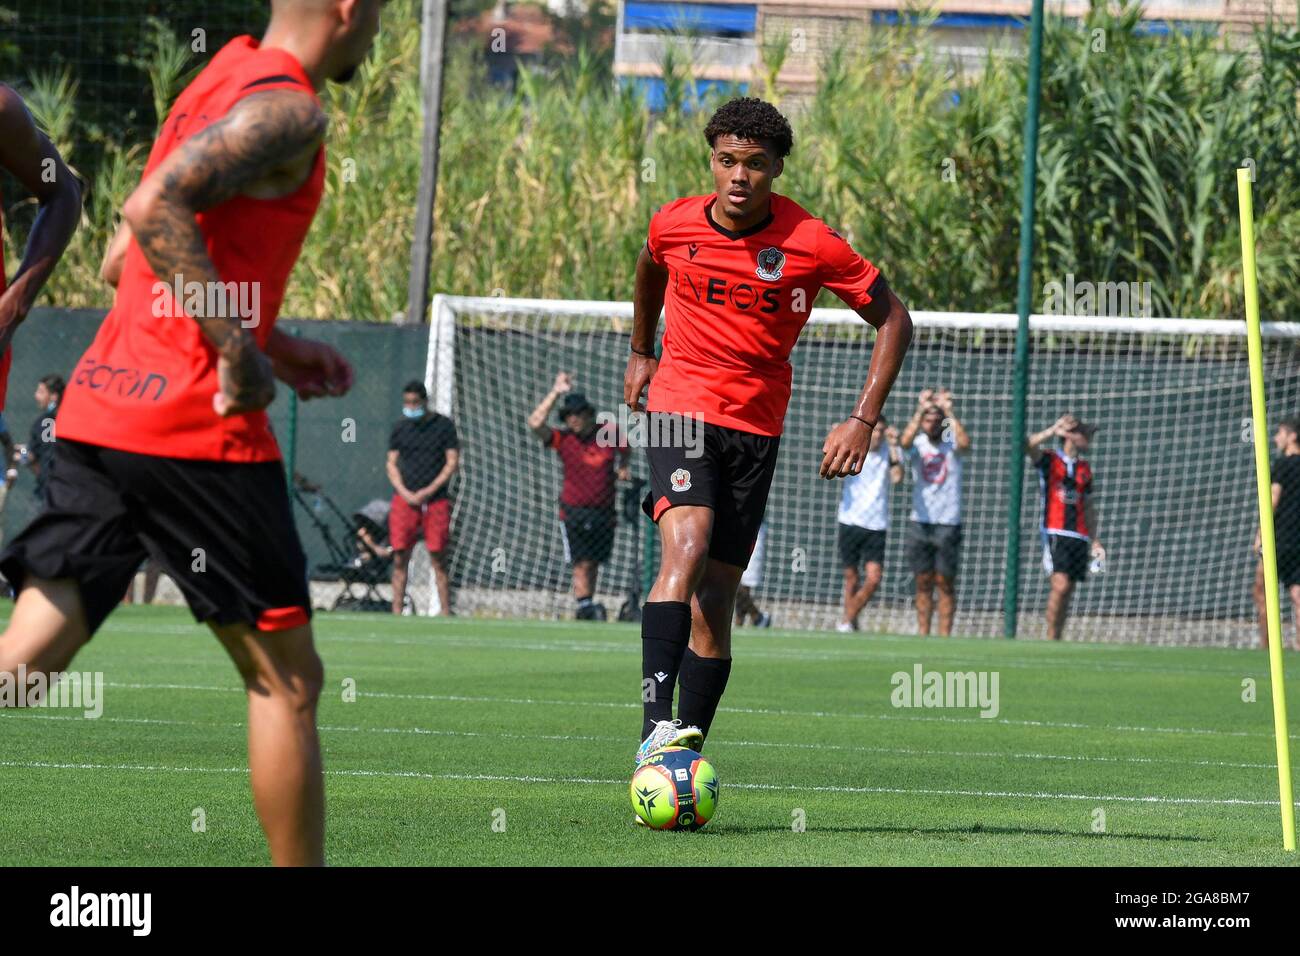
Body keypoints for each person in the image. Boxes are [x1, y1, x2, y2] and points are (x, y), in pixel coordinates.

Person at [0, 0, 383, 866]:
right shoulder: (292, 107)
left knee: (25, 657)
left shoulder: (210, 81)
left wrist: (273, 342)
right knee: (286, 681)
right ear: (351, 9)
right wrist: (239, 352)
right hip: (193, 426)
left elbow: (119, 260)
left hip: (100, 408)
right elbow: (151, 209)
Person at [625, 96, 912, 765]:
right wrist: (643, 350)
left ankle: (684, 756)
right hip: (682, 409)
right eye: (727, 160)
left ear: (777, 168)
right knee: (687, 549)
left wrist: (863, 417)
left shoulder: (811, 243)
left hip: (756, 428)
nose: (739, 176)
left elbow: (894, 320)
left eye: (755, 164)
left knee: (717, 598)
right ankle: (651, 728)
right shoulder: (674, 223)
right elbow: (649, 267)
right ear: (712, 159)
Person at [528, 371, 630, 620]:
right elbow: (535, 423)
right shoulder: (563, 439)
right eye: (569, 415)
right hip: (574, 509)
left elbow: (626, 449)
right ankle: (584, 604)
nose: (573, 419)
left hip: (604, 510)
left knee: (593, 561)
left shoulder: (608, 433)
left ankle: (587, 603)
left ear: (588, 415)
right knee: (581, 561)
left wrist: (623, 467)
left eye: (578, 414)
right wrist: (555, 392)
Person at [1026, 413, 1104, 641]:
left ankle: (1057, 638)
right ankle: (1050, 637)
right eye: (1085, 433)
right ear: (1070, 436)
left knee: (1068, 590)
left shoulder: (1084, 469)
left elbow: (1088, 506)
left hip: (1079, 534)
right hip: (1055, 531)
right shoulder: (1050, 460)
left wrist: (1095, 539)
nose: (1089, 438)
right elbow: (1027, 446)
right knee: (1059, 586)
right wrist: (1053, 430)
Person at [900, 388, 970, 636]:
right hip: (921, 521)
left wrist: (948, 410)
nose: (931, 425)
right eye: (927, 421)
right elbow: (904, 442)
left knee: (945, 582)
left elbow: (966, 443)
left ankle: (944, 635)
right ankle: (923, 633)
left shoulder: (952, 446)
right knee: (922, 581)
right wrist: (921, 409)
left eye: (935, 420)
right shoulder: (918, 444)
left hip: (948, 522)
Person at [386, 380, 459, 616]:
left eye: (415, 402)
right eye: (406, 402)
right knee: (400, 556)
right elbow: (391, 463)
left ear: (425, 402)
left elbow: (451, 462)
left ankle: (446, 611)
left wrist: (429, 490)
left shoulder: (444, 426)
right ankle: (396, 611)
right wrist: (405, 492)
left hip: (435, 501)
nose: (410, 406)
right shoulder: (400, 428)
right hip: (405, 500)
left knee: (438, 556)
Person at [836, 420, 902, 632]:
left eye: (882, 431)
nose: (878, 435)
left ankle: (847, 618)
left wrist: (893, 445)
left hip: (876, 524)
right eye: (876, 431)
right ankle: (851, 623)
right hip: (850, 519)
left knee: (874, 578)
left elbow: (897, 477)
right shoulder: (855, 448)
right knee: (851, 578)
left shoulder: (890, 451)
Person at [1254, 416, 1300, 650]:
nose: (1275, 438)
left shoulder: (1283, 465)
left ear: (1292, 436)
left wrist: (1261, 533)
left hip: (1280, 539)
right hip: (1298, 540)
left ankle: (1267, 646)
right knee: (1297, 595)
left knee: (1261, 588)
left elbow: (1272, 499)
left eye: (1280, 432)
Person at [18, 374, 63, 505]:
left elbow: (37, 455)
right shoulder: (71, 418)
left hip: (49, 493)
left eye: (41, 392)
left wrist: (22, 453)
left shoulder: (46, 421)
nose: (36, 396)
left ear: (53, 396)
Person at [733, 522, 771, 628]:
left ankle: (740, 622)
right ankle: (757, 617)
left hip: (753, 528)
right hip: (732, 528)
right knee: (732, 580)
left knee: (746, 583)